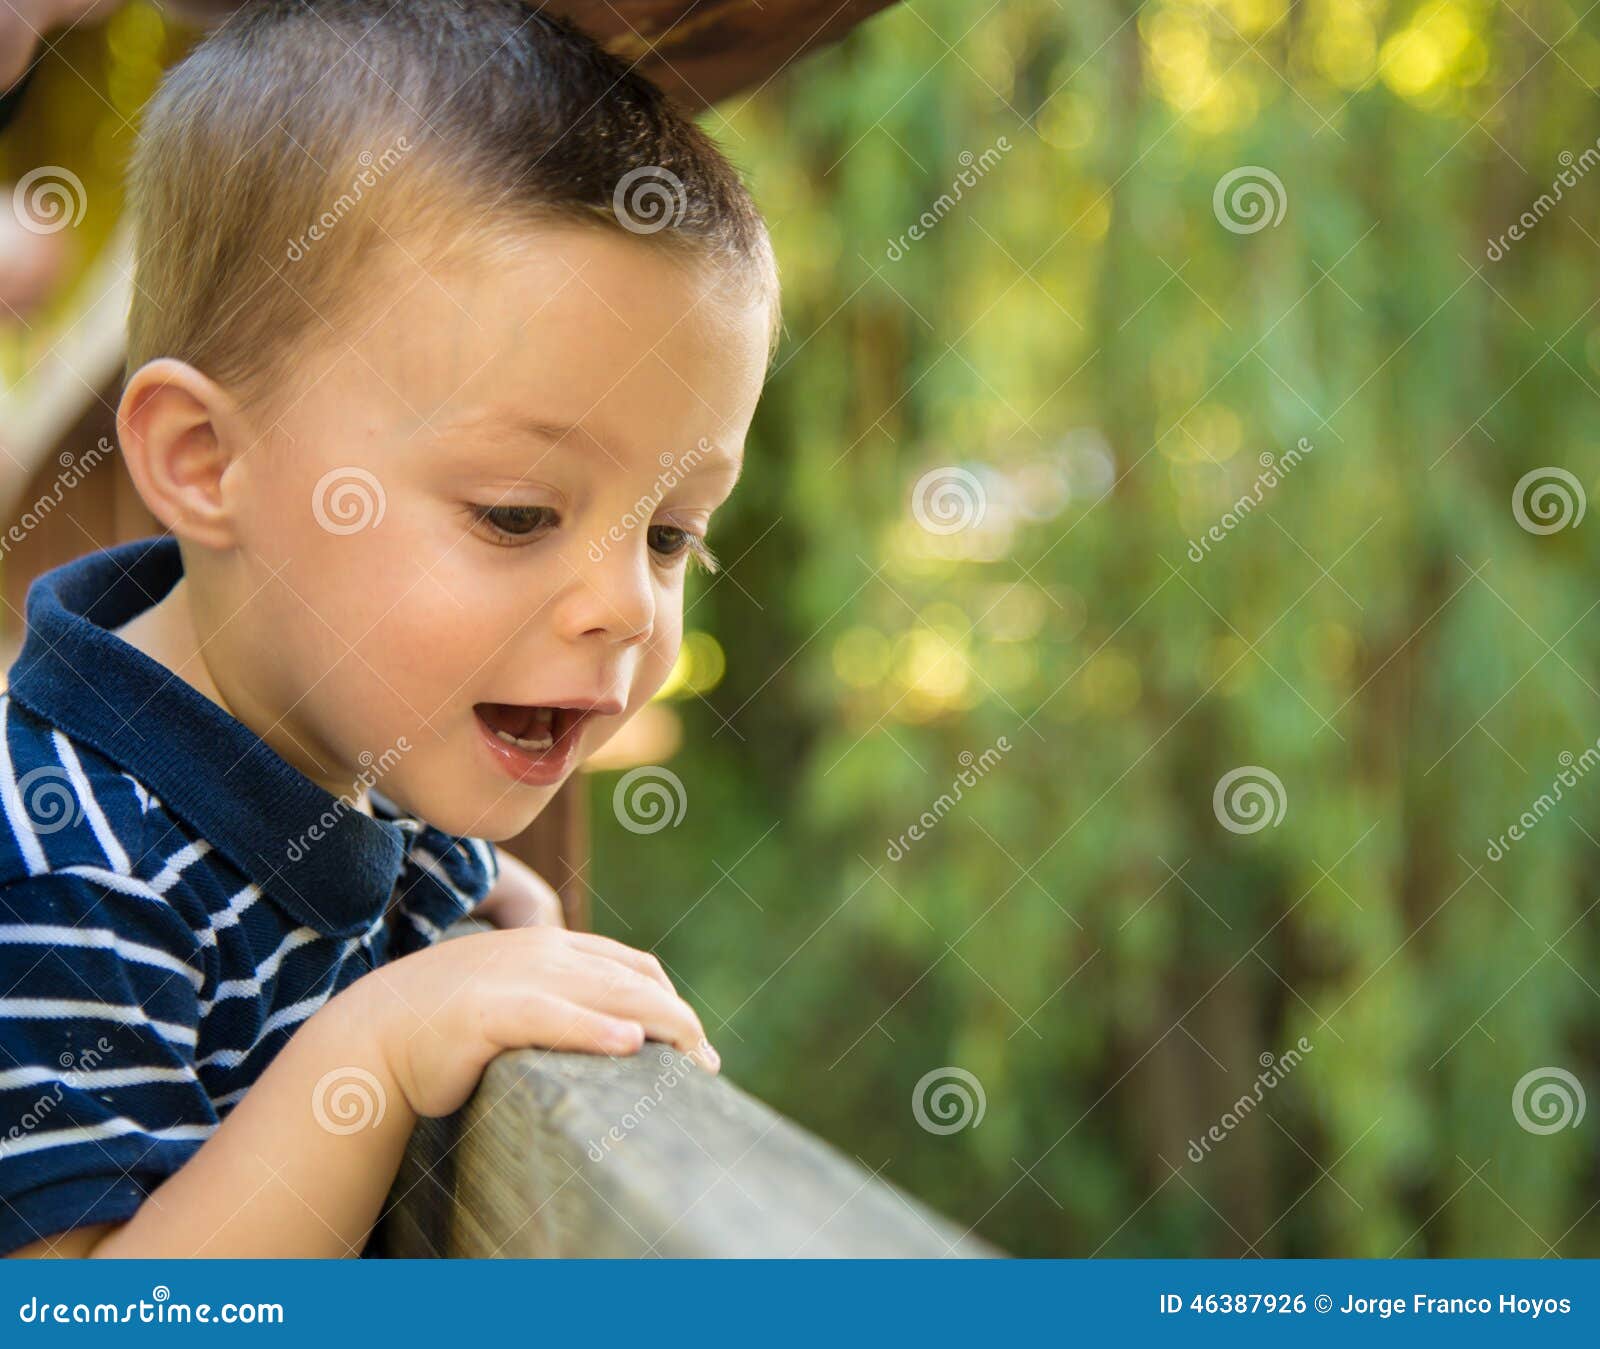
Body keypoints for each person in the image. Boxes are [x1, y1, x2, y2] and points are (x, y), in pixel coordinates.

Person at [0, 0, 778, 1257]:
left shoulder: (347, 752)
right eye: (518, 513)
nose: (628, 606)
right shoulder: (57, 867)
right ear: (205, 461)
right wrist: (383, 1041)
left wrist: (481, 903)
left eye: (670, 533)